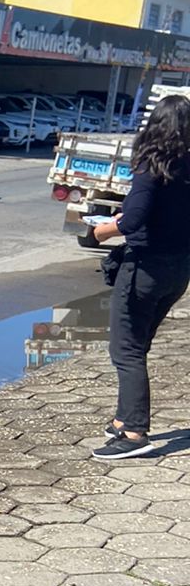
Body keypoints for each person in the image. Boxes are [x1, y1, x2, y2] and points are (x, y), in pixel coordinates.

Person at [92, 94, 190, 460]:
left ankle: (134, 433)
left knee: (126, 350)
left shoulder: (152, 168)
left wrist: (103, 230)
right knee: (138, 345)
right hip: (178, 271)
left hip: (144, 271)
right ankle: (122, 419)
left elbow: (132, 219)